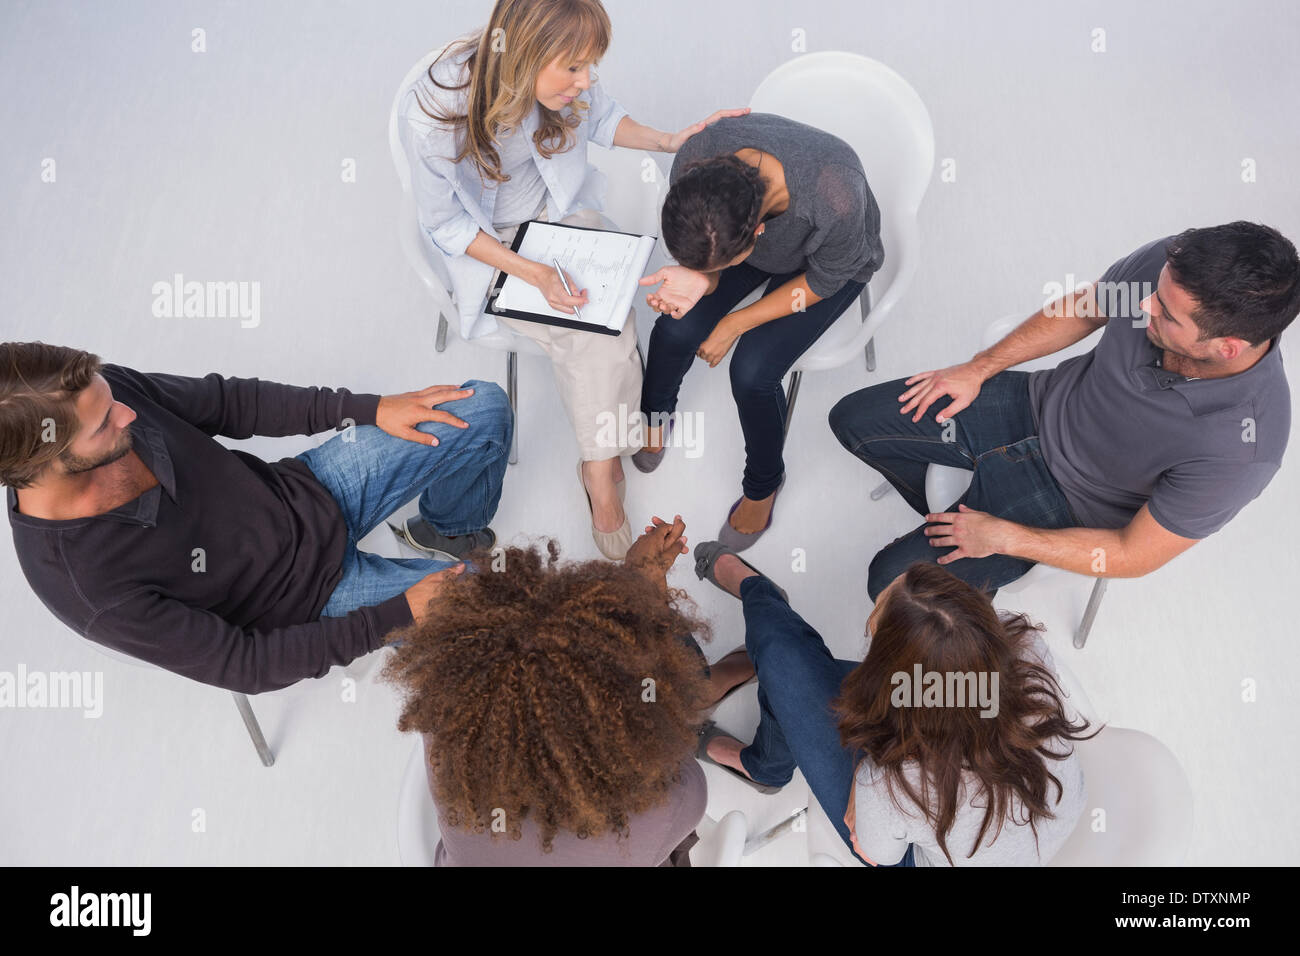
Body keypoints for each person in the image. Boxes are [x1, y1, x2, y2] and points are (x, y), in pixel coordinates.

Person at [396, 0, 748, 559]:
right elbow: (446, 225)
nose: (586, 83)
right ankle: (600, 472)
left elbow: (604, 118)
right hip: (495, 243)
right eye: (574, 69)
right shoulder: (438, 111)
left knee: (611, 313)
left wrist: (670, 141)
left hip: (559, 215)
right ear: (528, 56)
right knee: (596, 331)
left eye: (590, 67)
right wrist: (534, 271)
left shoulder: (564, 81)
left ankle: (599, 459)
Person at [2, 341, 509, 694]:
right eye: (104, 425)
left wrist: (369, 408)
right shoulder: (86, 585)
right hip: (305, 602)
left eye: (111, 400)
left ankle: (446, 531)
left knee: (481, 407)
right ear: (42, 466)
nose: (126, 413)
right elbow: (247, 664)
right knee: (500, 608)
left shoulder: (105, 396)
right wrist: (400, 614)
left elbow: (230, 403)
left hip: (301, 494)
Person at [829, 221, 1299, 599]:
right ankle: (944, 521)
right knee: (852, 421)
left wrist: (1005, 538)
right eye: (1155, 293)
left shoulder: (1244, 448)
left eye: (1165, 315)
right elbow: (1086, 308)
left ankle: (966, 552)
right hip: (1035, 404)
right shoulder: (1172, 270)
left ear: (1228, 347)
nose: (1142, 305)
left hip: (1066, 502)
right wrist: (979, 367)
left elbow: (1133, 554)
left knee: (888, 584)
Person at [380, 517, 757, 867]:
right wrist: (646, 596)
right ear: (616, 730)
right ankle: (700, 688)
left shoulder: (447, 732)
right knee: (674, 703)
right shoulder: (668, 807)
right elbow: (674, 757)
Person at [693, 544, 1095, 866]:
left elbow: (875, 853)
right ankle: (767, 753)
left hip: (921, 851)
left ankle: (760, 603)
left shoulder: (891, 784)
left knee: (782, 656)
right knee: (788, 669)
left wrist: (870, 790)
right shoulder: (1025, 647)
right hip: (1047, 819)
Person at [634, 111, 884, 550]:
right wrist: (698, 278)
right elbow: (707, 254)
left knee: (752, 372)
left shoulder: (836, 195)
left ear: (759, 233)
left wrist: (734, 321)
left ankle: (764, 484)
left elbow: (825, 280)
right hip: (735, 245)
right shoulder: (696, 159)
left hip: (824, 270)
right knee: (674, 331)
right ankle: (655, 417)